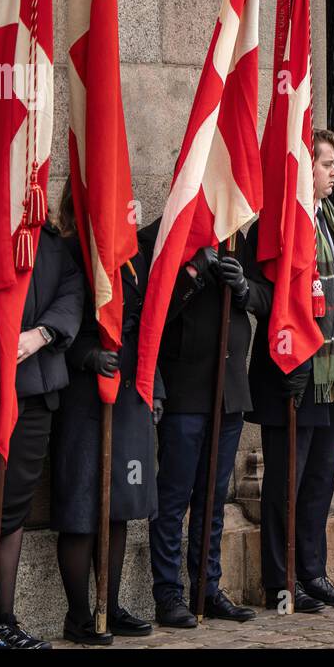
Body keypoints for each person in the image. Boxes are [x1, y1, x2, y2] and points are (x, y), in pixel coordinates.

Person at [0, 183, 84, 649]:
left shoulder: (47, 240)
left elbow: (71, 291)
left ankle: (3, 620)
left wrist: (41, 334)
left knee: (15, 508)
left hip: (37, 389)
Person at [241, 129, 334, 612]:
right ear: (302, 168)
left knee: (320, 481)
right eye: (327, 164)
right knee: (285, 485)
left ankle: (314, 574)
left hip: (332, 372)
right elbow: (259, 293)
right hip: (291, 370)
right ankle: (281, 581)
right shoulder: (274, 225)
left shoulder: (332, 221)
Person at [52, 182, 160, 644]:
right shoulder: (67, 252)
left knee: (118, 507)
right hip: (82, 398)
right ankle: (79, 616)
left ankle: (108, 606)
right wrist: (84, 356)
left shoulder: (131, 256)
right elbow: (55, 319)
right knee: (82, 507)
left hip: (130, 392)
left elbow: (147, 327)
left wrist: (155, 386)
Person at [141, 214, 257, 629]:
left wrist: (243, 288)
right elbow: (149, 312)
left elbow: (264, 295)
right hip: (184, 387)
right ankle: (168, 594)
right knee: (173, 498)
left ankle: (207, 586)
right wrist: (191, 274)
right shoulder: (159, 235)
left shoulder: (234, 234)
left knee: (212, 498)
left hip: (228, 388)